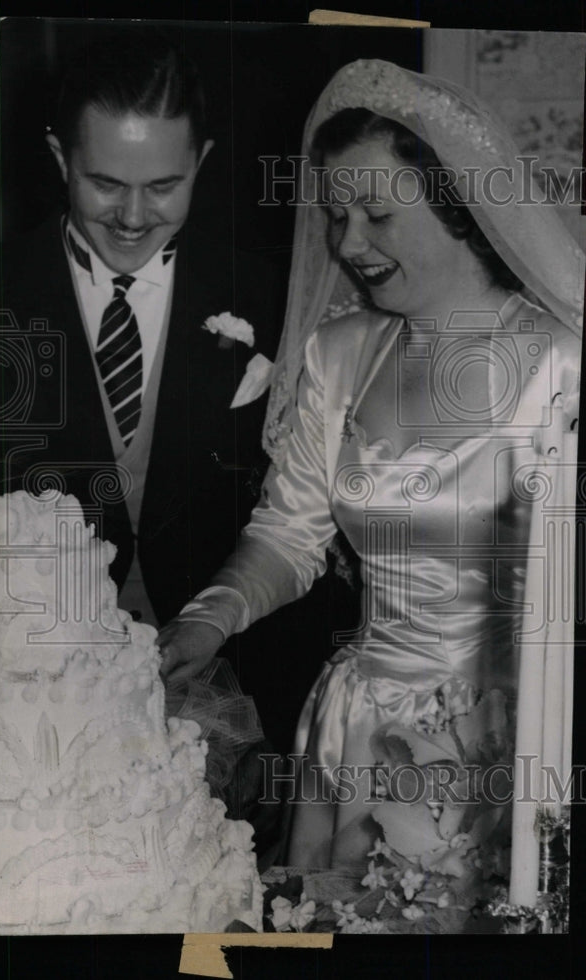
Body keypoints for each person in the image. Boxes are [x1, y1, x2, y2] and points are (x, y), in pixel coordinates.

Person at [170, 58, 583, 927]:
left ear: (459, 204)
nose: (349, 244)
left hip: (509, 746)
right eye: (336, 215)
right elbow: (290, 532)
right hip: (355, 735)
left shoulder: (562, 361)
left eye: (379, 214)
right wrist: (211, 617)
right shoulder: (338, 353)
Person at [0, 25, 277, 628]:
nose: (134, 217)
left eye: (164, 186)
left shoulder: (266, 295)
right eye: (106, 184)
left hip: (224, 654)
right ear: (61, 160)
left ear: (200, 162)